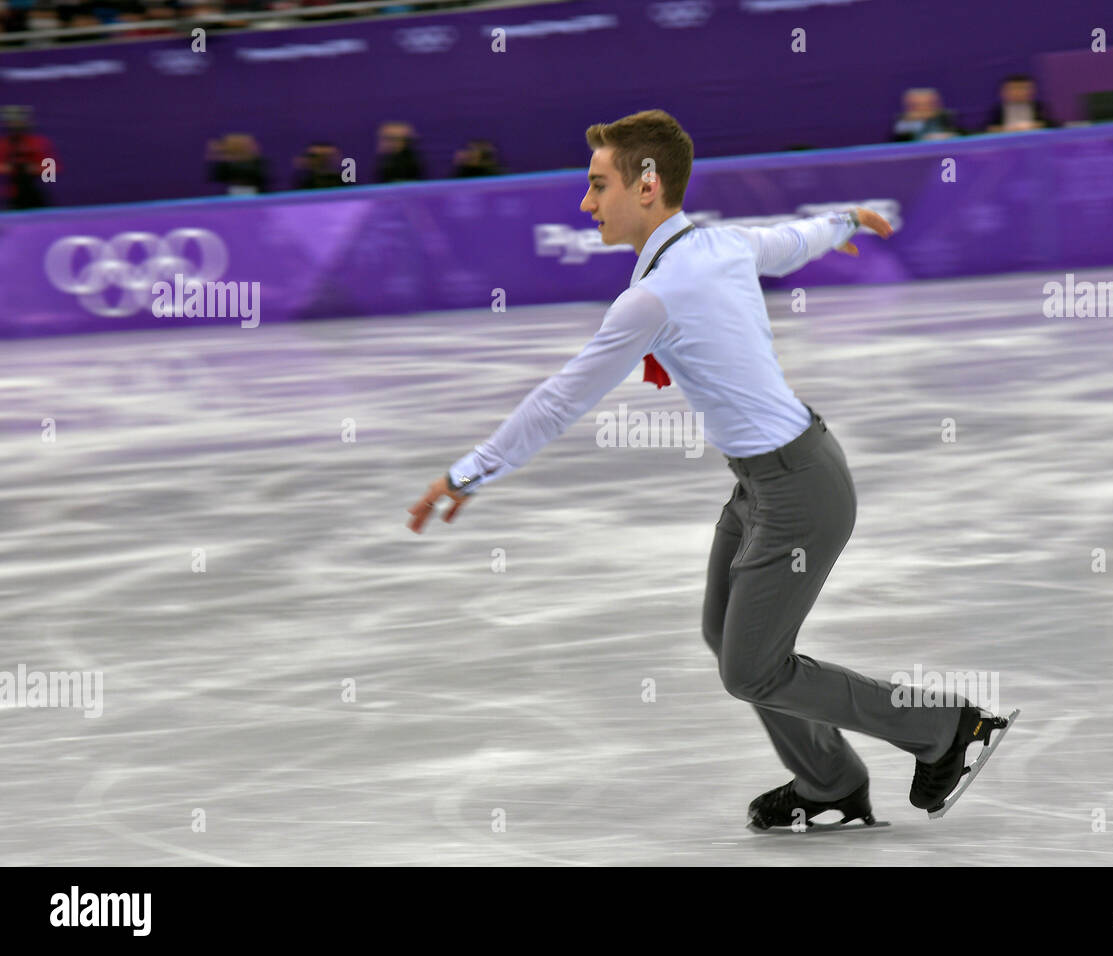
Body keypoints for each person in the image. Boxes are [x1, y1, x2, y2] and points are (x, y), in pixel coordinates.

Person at [407, 109, 1008, 830]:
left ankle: (946, 729)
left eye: (598, 186)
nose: (585, 204)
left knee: (752, 667)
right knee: (729, 638)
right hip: (766, 480)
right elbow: (788, 243)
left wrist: (469, 472)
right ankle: (829, 781)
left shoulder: (654, 296)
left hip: (799, 492)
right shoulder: (712, 245)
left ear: (648, 185)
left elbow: (562, 399)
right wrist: (843, 221)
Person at [0, 105, 57, 210]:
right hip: (13, 195)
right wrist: (12, 168)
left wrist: (31, 168)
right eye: (12, 121)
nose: (15, 124)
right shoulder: (3, 144)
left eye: (19, 120)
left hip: (35, 193)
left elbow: (52, 170)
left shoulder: (39, 143)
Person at [985, 74, 1055, 133]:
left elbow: (1052, 126)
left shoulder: (1039, 107)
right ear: (1004, 92)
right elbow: (987, 129)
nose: (1018, 93)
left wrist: (1039, 126)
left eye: (1023, 89)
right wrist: (1007, 129)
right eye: (1014, 89)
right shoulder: (998, 110)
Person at [891, 88, 960, 142]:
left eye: (928, 104)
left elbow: (959, 135)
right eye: (918, 105)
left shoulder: (944, 117)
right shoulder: (903, 123)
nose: (923, 108)